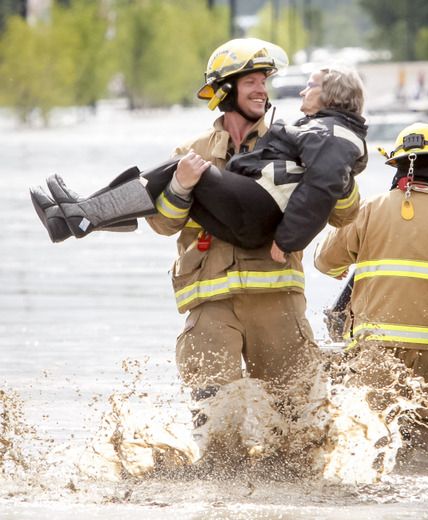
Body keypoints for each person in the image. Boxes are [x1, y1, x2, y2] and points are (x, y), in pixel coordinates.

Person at [30, 38, 367, 421]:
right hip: (211, 306)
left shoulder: (295, 139)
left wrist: (340, 175)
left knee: (298, 426)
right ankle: (85, 214)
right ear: (226, 90)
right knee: (214, 430)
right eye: (251, 82)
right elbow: (163, 223)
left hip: (278, 299)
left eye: (264, 82)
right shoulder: (192, 149)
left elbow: (344, 216)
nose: (262, 90)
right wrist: (181, 187)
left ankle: (83, 215)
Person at [314, 122, 428, 462]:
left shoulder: (368, 211)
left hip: (376, 357)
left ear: (396, 166)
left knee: (371, 448)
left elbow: (325, 264)